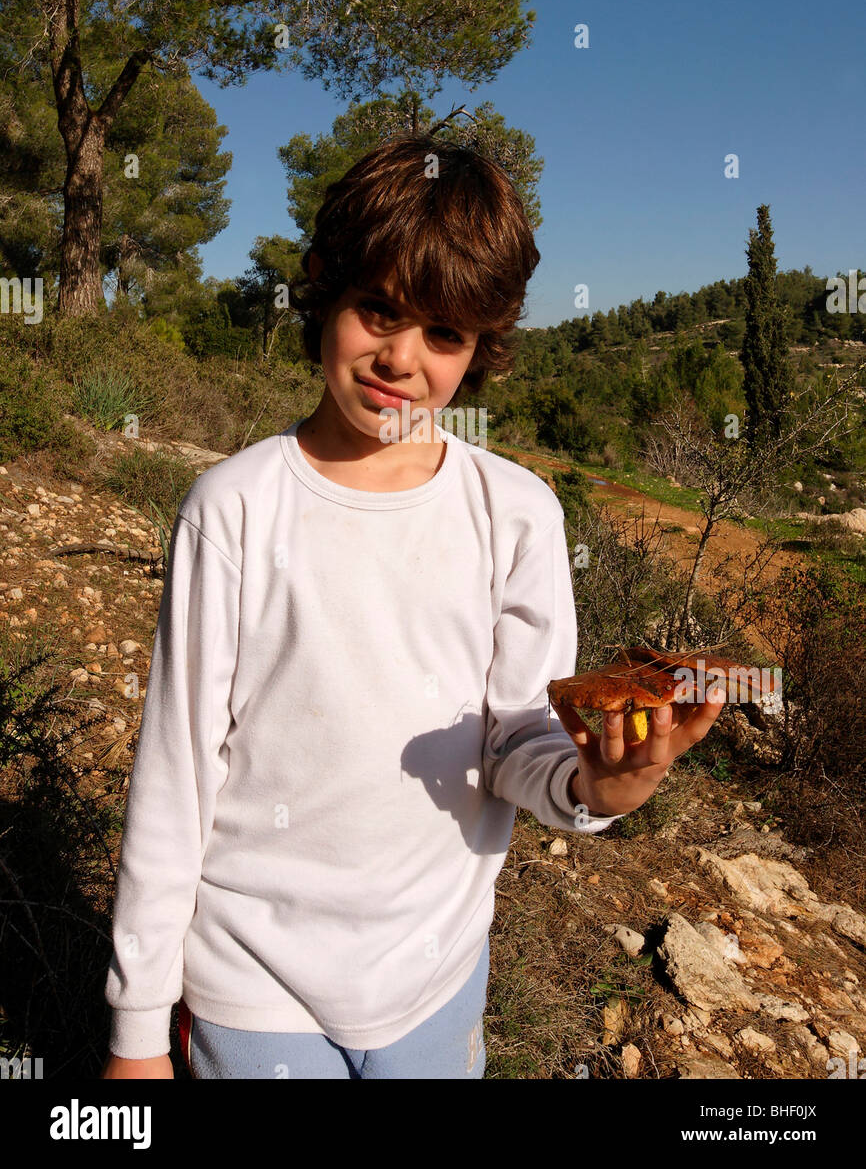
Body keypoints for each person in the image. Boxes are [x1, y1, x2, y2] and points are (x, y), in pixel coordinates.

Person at [101, 135, 725, 1080]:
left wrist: (604, 787)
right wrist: (138, 1031)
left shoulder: (515, 515)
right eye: (378, 309)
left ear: (481, 350)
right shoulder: (231, 507)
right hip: (254, 981)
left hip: (437, 977)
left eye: (444, 334)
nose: (401, 358)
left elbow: (517, 740)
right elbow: (174, 776)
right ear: (323, 288)